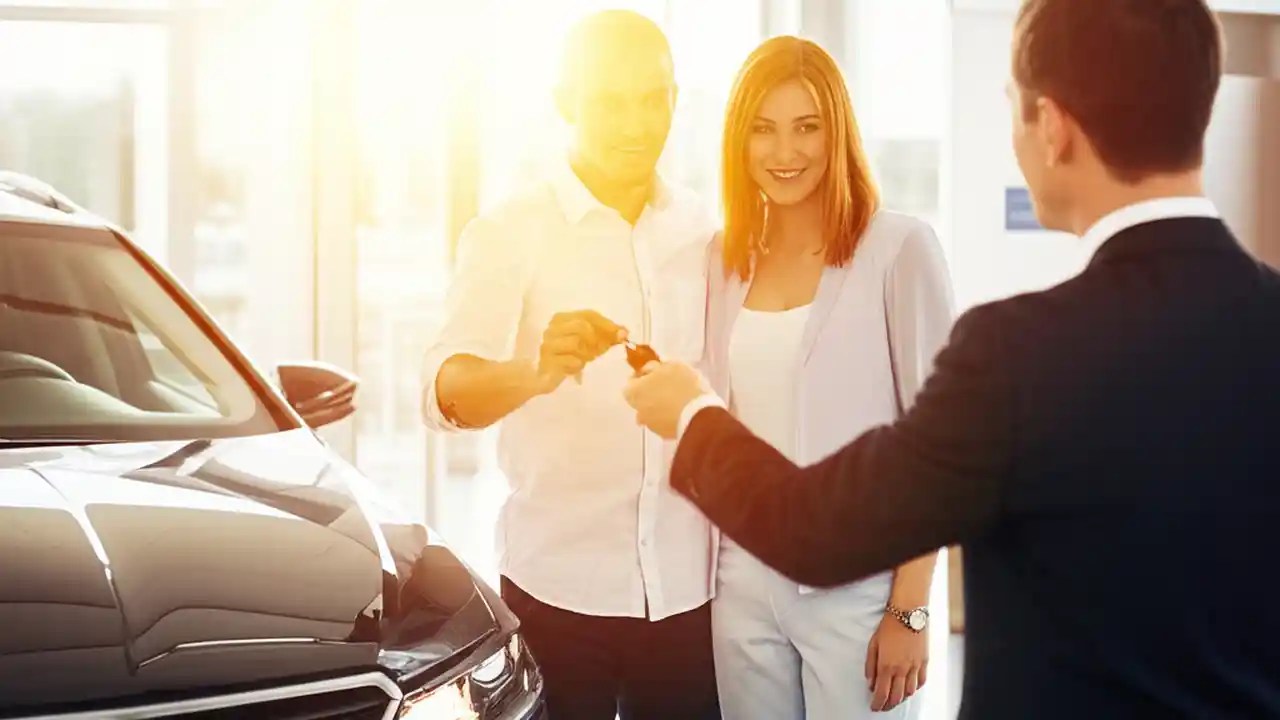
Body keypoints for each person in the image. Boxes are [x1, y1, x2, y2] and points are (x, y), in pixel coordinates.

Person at [623, 0, 1280, 717]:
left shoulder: (1013, 353)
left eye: (1015, 111)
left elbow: (814, 528)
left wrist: (691, 417)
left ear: (1052, 126)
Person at [420, 10, 719, 720]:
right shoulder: (510, 230)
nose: (635, 124)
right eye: (610, 102)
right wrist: (535, 372)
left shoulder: (706, 233)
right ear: (565, 103)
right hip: (558, 595)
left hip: (687, 597)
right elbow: (442, 393)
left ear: (675, 100)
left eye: (653, 100)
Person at [704, 36, 953, 719]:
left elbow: (941, 446)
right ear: (739, 141)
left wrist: (910, 610)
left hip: (860, 592)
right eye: (764, 129)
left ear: (837, 132)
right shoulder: (725, 264)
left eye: (806, 127)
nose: (785, 152)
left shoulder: (898, 248)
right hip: (742, 589)